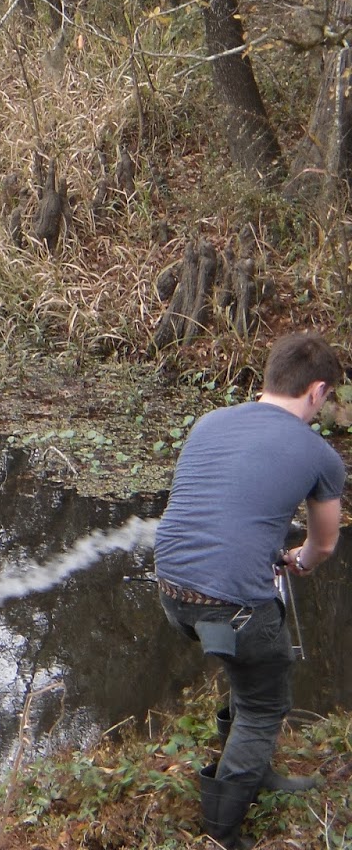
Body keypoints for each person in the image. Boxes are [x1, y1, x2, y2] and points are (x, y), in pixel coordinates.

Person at [154, 330, 345, 849]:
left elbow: (214, 508)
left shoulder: (209, 422)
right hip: (233, 606)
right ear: (316, 391)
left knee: (251, 671)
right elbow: (323, 546)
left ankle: (253, 769)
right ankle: (222, 830)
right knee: (265, 701)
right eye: (325, 400)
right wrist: (298, 561)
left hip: (171, 589)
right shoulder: (320, 455)